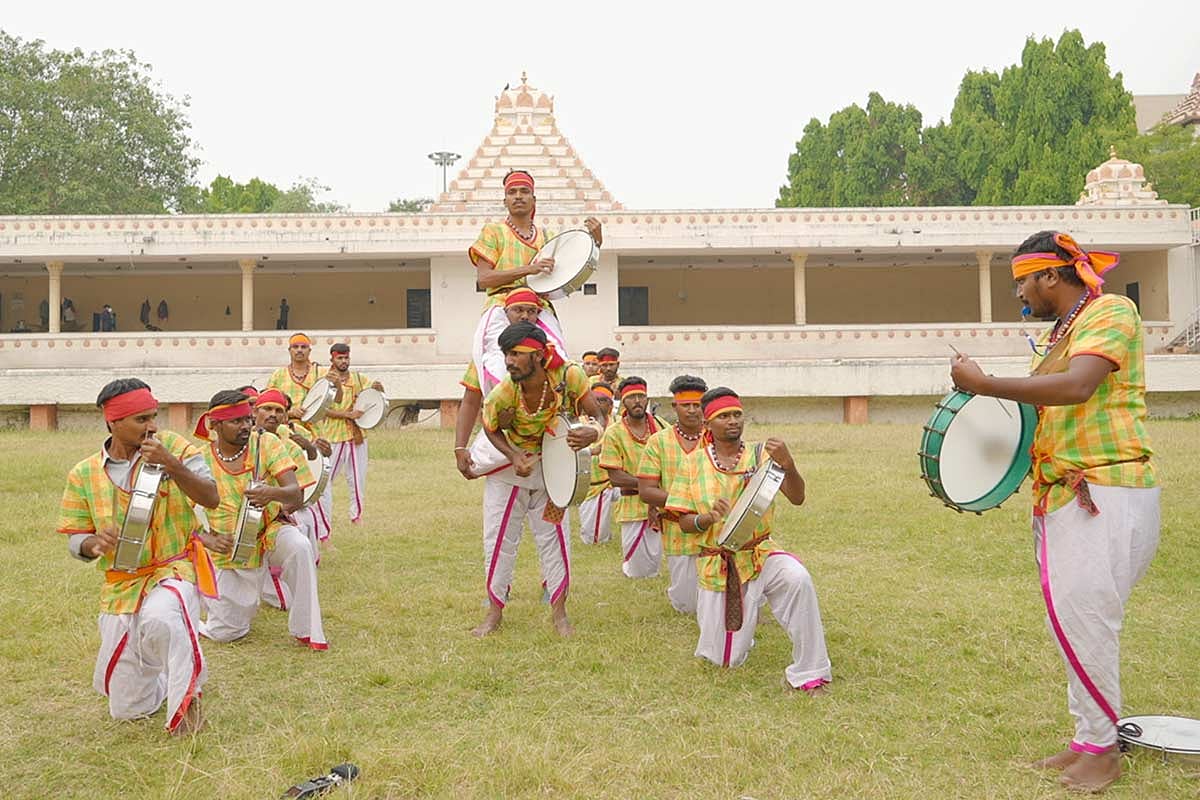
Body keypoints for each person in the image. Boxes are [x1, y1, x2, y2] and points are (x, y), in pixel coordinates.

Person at [950, 231, 1159, 793]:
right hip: (1068, 494)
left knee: (1088, 620)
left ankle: (1103, 753)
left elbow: (1079, 386)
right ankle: (1087, 739)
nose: (1019, 291)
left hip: (1106, 488)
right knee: (1073, 621)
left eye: (1023, 279)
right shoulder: (1060, 335)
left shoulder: (1112, 310)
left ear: (1050, 276)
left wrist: (985, 383)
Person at [55, 378, 220, 734]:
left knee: (162, 619)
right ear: (113, 422)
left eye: (154, 416)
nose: (153, 426)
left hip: (173, 568)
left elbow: (210, 497)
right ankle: (162, 684)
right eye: (141, 419)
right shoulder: (83, 473)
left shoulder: (175, 447)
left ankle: (188, 701)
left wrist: (172, 465)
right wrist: (93, 544)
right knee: (127, 709)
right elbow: (74, 537)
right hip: (121, 584)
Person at [667, 388, 832, 695]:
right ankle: (747, 618)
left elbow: (797, 498)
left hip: (760, 554)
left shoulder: (762, 456)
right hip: (720, 564)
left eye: (737, 414)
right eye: (723, 416)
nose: (733, 421)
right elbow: (684, 523)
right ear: (707, 422)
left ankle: (810, 671)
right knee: (725, 661)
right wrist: (706, 519)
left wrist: (790, 464)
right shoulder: (693, 465)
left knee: (798, 579)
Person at [473, 321, 603, 637]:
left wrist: (593, 432)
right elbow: (490, 428)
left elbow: (598, 414)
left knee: (556, 540)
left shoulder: (570, 376)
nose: (509, 361)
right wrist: (515, 456)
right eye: (506, 353)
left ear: (540, 354)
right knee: (499, 540)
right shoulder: (504, 392)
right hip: (508, 475)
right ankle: (494, 612)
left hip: (553, 472)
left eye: (517, 353)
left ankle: (559, 614)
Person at [193, 390, 326, 650]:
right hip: (230, 550)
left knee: (300, 546)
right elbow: (179, 513)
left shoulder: (266, 443)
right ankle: (194, 616)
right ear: (215, 425)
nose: (245, 426)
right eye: (236, 421)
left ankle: (307, 629)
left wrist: (271, 493)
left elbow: (296, 495)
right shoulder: (200, 460)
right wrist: (208, 539)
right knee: (227, 632)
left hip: (269, 530)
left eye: (246, 419)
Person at [468, 169, 601, 358]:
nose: (518, 196)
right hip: (501, 305)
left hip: (538, 307)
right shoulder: (493, 232)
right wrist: (529, 270)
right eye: (512, 192)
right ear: (504, 201)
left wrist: (596, 242)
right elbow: (484, 279)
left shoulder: (549, 238)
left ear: (534, 199)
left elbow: (574, 268)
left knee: (558, 358)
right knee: (495, 362)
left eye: (524, 191)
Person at [637, 375, 708, 614]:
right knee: (687, 605)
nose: (691, 410)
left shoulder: (717, 438)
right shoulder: (658, 442)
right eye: (685, 405)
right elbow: (646, 491)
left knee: (716, 598)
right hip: (678, 530)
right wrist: (690, 505)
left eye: (697, 404)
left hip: (716, 528)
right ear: (674, 406)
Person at [265, 333, 336, 537]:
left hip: (315, 439)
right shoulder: (278, 375)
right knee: (289, 484)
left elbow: (335, 398)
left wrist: (336, 384)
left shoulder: (321, 372)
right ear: (289, 350)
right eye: (295, 347)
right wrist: (289, 412)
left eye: (303, 347)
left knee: (320, 486)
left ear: (309, 350)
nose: (299, 350)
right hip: (283, 436)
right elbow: (267, 404)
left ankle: (323, 534)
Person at [600, 377, 668, 577]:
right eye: (631, 397)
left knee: (656, 560)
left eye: (641, 396)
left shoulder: (661, 426)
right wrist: (648, 487)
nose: (637, 401)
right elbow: (615, 477)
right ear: (622, 400)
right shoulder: (614, 433)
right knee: (637, 569)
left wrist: (656, 493)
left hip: (662, 503)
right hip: (632, 503)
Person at [314, 342, 384, 526]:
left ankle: (356, 516)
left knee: (357, 478)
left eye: (346, 358)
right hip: (333, 436)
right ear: (332, 358)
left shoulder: (359, 379)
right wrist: (347, 414)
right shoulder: (324, 379)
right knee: (325, 478)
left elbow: (374, 396)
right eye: (340, 358)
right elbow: (321, 409)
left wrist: (379, 388)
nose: (344, 361)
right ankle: (322, 519)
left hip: (357, 436)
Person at [578, 381, 618, 545]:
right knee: (592, 538)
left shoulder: (618, 424)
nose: (596, 404)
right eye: (594, 400)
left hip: (613, 482)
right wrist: (594, 451)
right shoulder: (579, 423)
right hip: (589, 483)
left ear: (610, 405)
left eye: (602, 400)